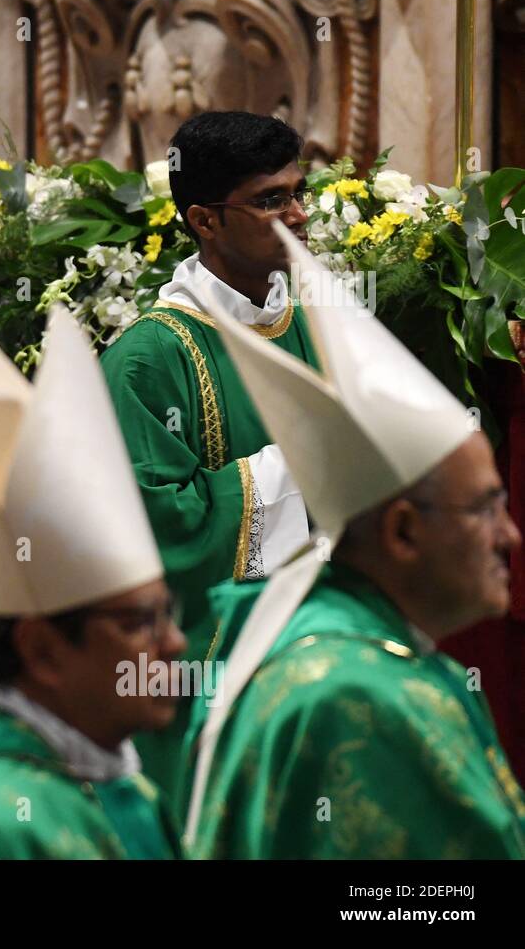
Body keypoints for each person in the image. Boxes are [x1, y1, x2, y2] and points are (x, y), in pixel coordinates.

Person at [185, 223, 525, 858]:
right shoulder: (352, 692)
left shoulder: (342, 639)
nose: (511, 536)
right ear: (401, 530)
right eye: (484, 509)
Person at [0, 307, 186, 860]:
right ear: (42, 650)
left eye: (166, 614)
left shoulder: (124, 784)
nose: (174, 645)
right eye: (139, 623)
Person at [100, 110, 318, 802]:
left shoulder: (314, 322)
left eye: (298, 192)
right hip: (204, 681)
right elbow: (155, 527)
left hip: (315, 653)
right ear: (205, 220)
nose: (298, 214)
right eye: (271, 200)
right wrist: (313, 462)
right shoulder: (149, 358)